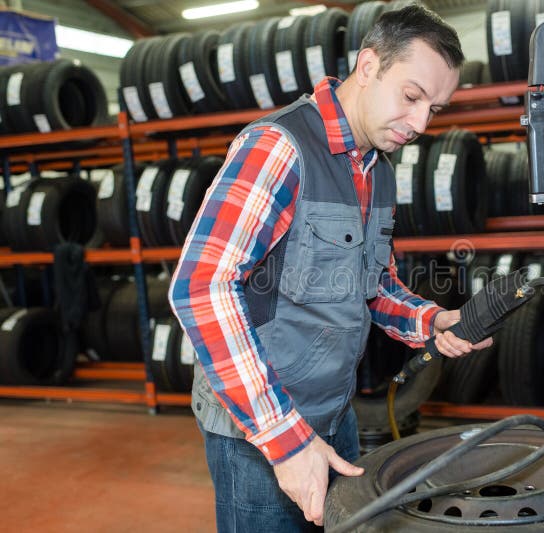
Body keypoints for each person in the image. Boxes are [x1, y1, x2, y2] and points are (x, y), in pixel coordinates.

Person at [169, 5, 491, 532]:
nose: (420, 125)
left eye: (434, 109)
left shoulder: (379, 170)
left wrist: (433, 322)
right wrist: (284, 439)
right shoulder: (279, 147)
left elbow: (373, 285)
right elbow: (201, 287)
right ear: (369, 65)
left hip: (333, 414)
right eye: (412, 97)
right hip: (258, 432)